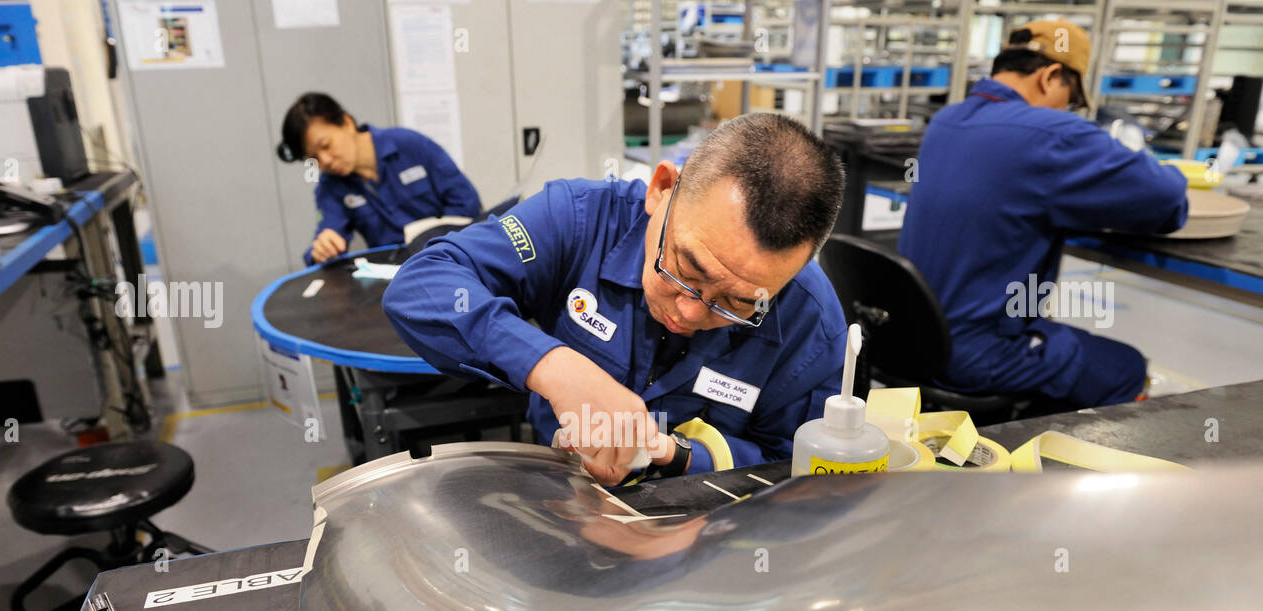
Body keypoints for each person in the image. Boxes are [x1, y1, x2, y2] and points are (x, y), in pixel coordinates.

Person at [382, 112, 848, 485]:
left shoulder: (813, 321)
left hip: (712, 540)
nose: (689, 311)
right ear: (662, 189)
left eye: (737, 303)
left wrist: (670, 452)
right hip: (559, 497)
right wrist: (553, 366)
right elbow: (422, 284)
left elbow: (794, 474)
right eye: (686, 269)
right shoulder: (579, 221)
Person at [898, 20, 1189, 409]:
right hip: (977, 354)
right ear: (1052, 76)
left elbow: (1008, 191)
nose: (1069, 110)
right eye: (1070, 98)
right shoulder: (1053, 133)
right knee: (1124, 369)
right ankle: (1037, 457)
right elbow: (1167, 199)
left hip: (912, 339)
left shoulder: (947, 121)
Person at [277, 92, 481, 266]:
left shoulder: (410, 145)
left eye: (326, 145)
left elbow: (467, 203)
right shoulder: (330, 187)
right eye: (313, 158)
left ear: (347, 123)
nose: (325, 161)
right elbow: (327, 234)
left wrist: (438, 248)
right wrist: (321, 250)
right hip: (394, 277)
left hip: (451, 259)